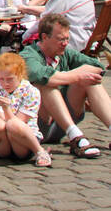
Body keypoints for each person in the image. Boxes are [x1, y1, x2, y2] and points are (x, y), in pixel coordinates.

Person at [21, 13, 111, 158]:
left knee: (89, 80)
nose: (65, 43)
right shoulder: (28, 55)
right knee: (46, 84)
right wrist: (77, 76)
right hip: (39, 125)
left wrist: (80, 75)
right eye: (60, 39)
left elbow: (98, 66)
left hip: (61, 123)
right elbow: (43, 76)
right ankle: (76, 137)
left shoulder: (64, 53)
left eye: (67, 39)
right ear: (44, 37)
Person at [0, 52, 47, 166]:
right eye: (1, 79)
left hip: (23, 143)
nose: (5, 83)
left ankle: (40, 151)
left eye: (10, 79)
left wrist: (6, 108)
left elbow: (19, 122)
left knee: (12, 125)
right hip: (3, 145)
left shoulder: (31, 91)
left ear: (20, 75)